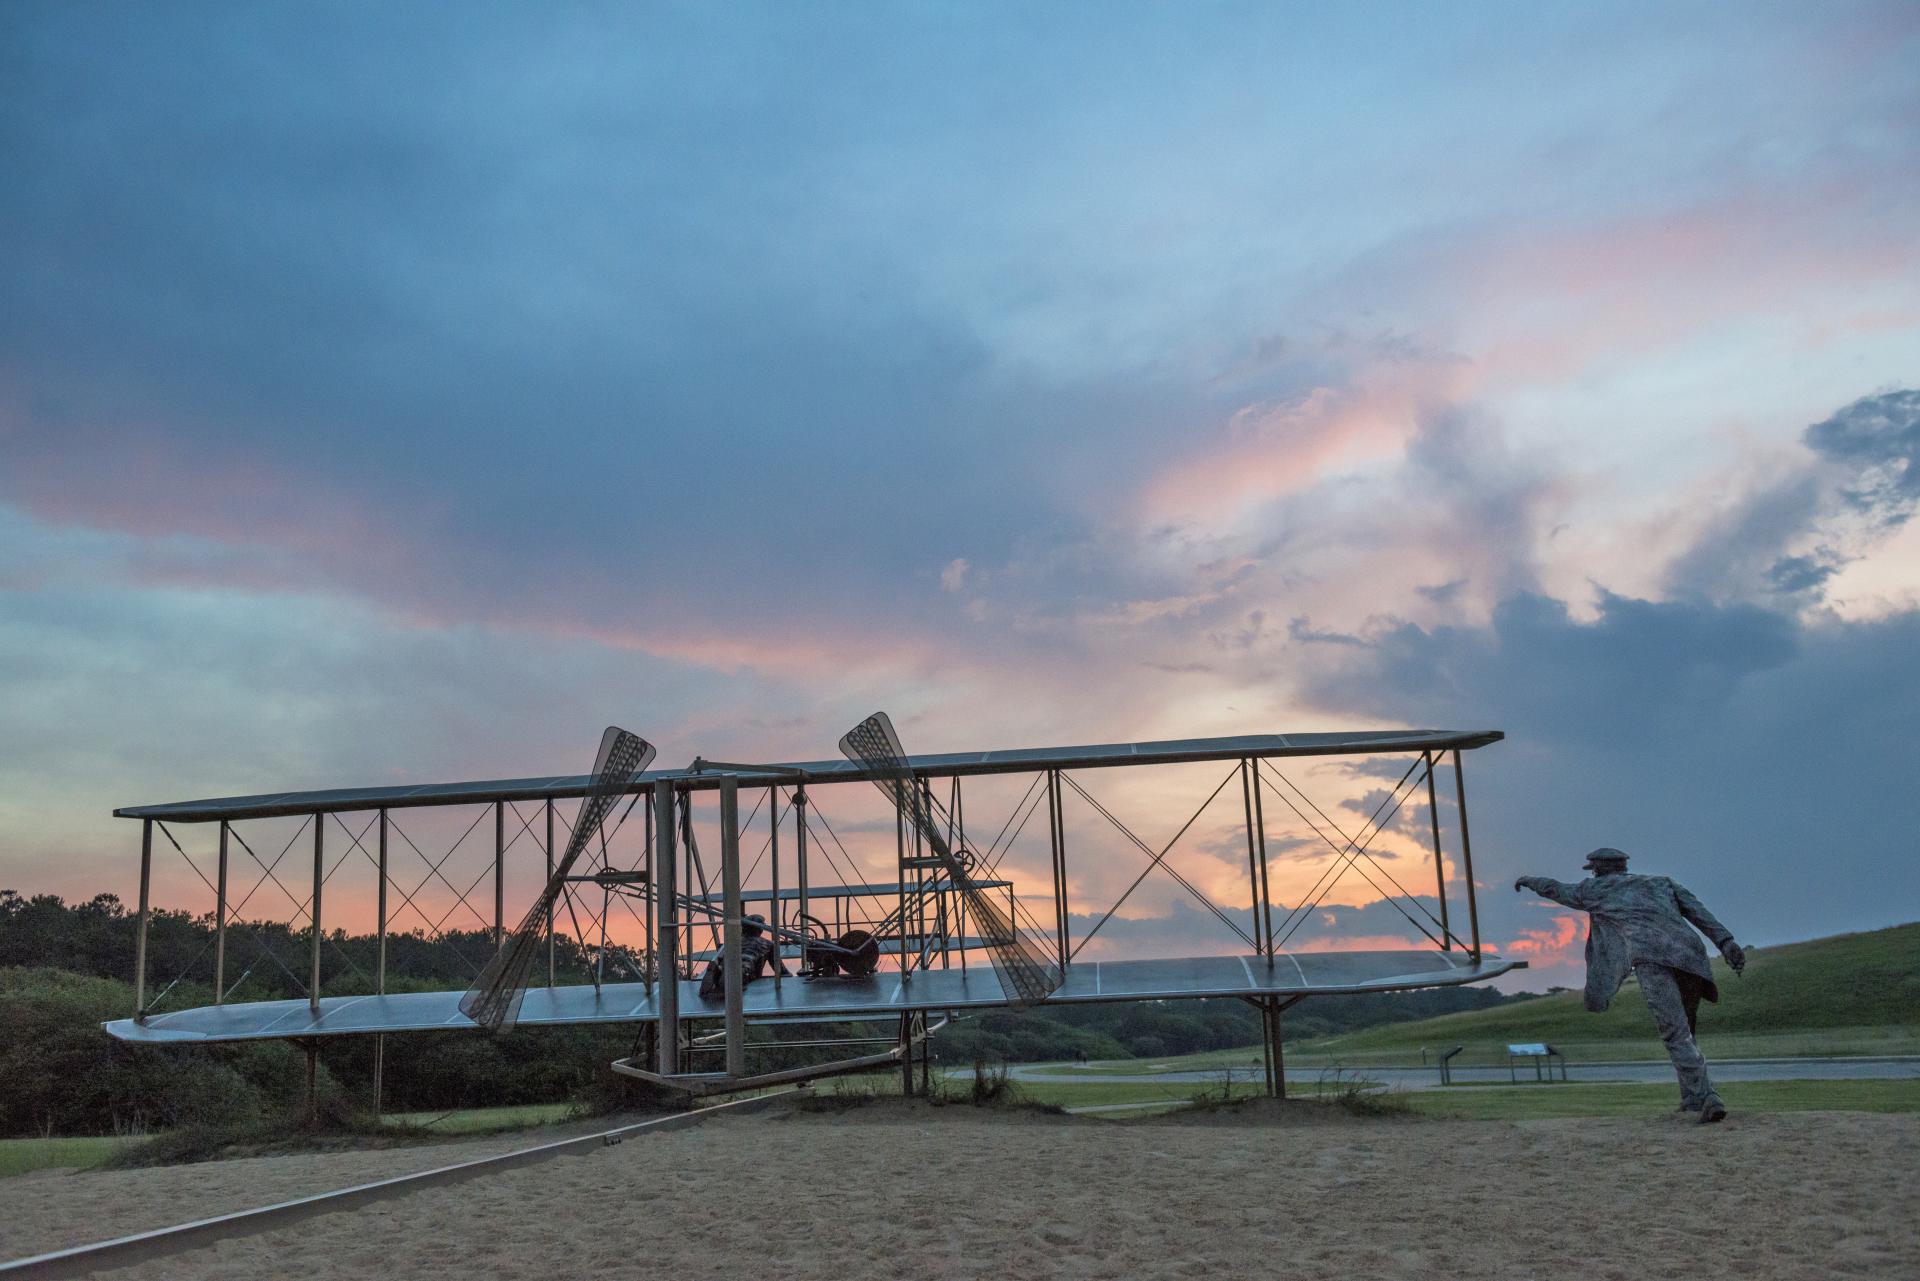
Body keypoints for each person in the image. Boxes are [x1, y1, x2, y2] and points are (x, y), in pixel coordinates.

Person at [1514, 848, 1747, 1124]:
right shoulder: (1662, 883)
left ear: (1596, 870)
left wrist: (1529, 880)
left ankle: (1708, 1096)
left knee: (1675, 1033)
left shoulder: (1595, 890)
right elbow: (1700, 913)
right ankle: (1692, 1098)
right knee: (1686, 1032)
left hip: (1652, 959)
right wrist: (1726, 941)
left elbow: (1557, 890)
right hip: (1691, 957)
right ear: (1623, 867)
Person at [698, 913, 789, 1002]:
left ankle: (720, 972)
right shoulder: (768, 944)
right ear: (760, 929)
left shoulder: (731, 943)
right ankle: (728, 977)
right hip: (745, 973)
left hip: (732, 969)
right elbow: (781, 971)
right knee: (742, 968)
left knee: (728, 966)